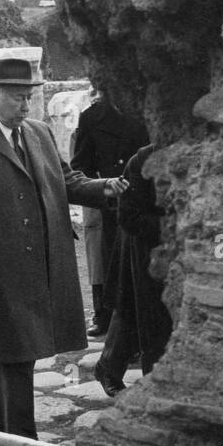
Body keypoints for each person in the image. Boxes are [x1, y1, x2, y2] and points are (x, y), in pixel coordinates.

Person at [0, 48, 127, 440]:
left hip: (45, 265)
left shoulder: (39, 133)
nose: (26, 105)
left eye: (29, 97)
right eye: (17, 97)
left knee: (12, 357)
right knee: (16, 359)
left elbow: (67, 181)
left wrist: (105, 187)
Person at [94, 144, 173, 397]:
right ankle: (150, 384)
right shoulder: (141, 161)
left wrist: (222, 259)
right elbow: (128, 215)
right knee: (141, 312)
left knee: (132, 309)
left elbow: (222, 227)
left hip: (180, 250)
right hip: (144, 251)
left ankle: (110, 367)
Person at [71, 86, 149, 336]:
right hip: (106, 201)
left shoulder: (144, 111)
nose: (26, 106)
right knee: (102, 258)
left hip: (136, 199)